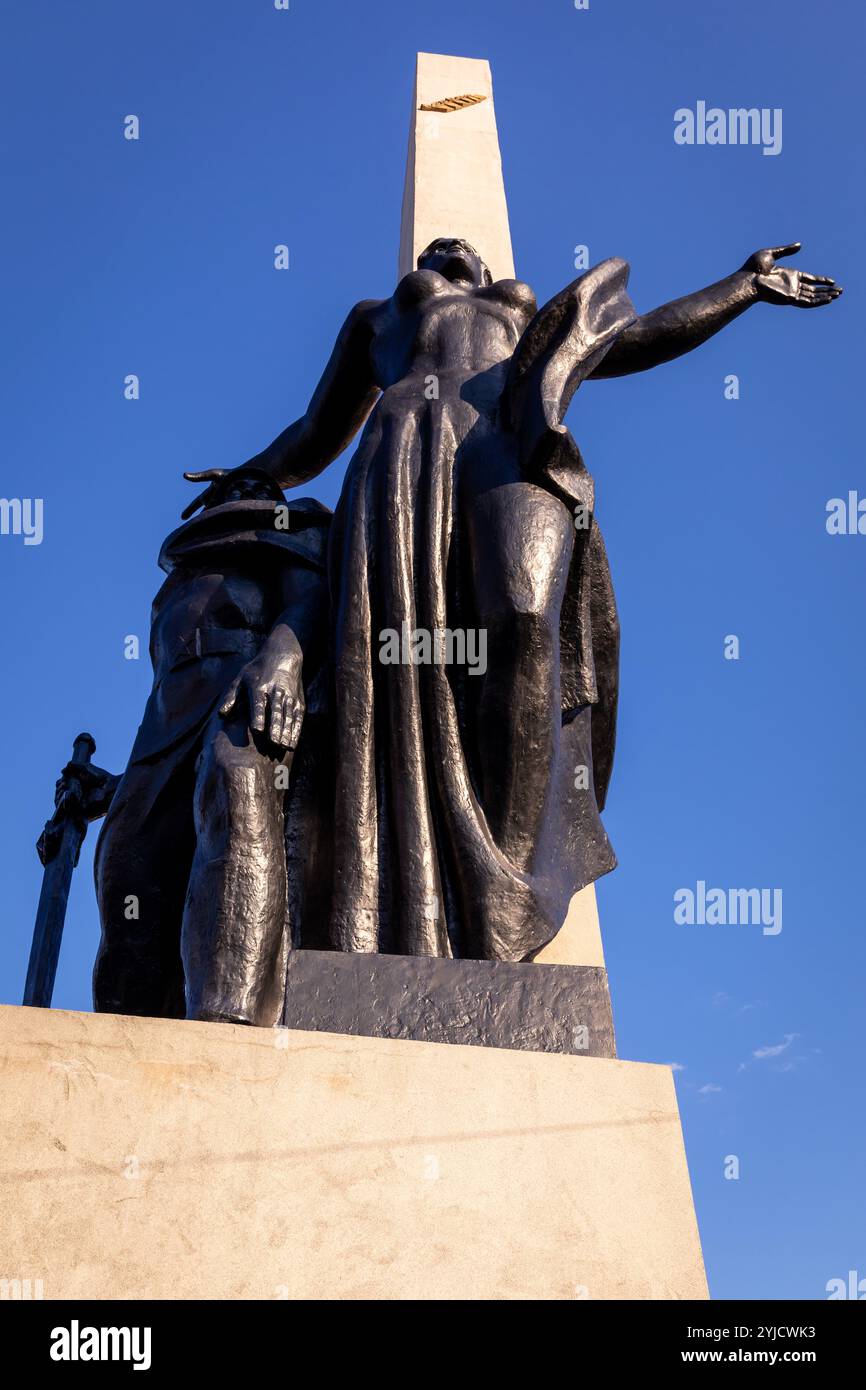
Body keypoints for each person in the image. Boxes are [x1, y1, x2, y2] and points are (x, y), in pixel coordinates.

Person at [184, 239, 840, 962]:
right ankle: (441, 904)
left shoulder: (524, 315)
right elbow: (315, 432)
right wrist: (248, 475)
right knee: (394, 667)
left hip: (508, 441)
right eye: (437, 245)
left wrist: (742, 287)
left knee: (527, 621)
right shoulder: (376, 319)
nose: (451, 241)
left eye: (463, 243)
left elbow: (631, 338)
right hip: (405, 451)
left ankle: (507, 885)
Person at [71, 468, 331, 1023]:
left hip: (249, 690)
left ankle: (227, 1018)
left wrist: (281, 660)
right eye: (233, 487)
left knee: (233, 786)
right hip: (162, 729)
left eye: (255, 485)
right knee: (127, 861)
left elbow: (309, 603)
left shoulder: (286, 533)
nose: (242, 492)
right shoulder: (178, 583)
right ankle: (124, 1038)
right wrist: (112, 787)